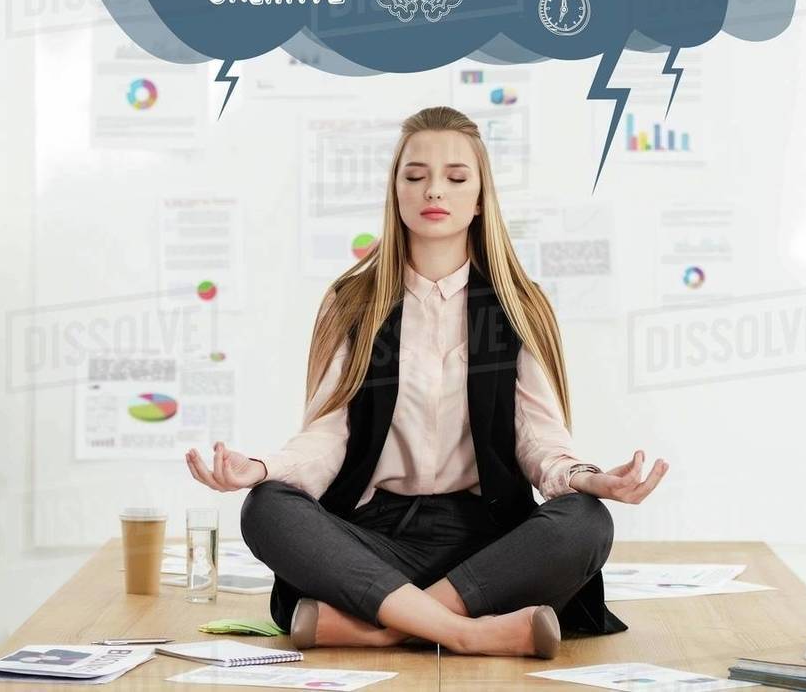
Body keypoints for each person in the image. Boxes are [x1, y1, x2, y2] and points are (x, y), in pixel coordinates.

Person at [186, 106, 668, 659]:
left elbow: (539, 440)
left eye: (456, 177)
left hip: (486, 550)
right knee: (266, 507)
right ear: (396, 192)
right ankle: (468, 632)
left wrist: (589, 479)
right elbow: (327, 436)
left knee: (585, 520)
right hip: (376, 543)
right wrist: (261, 468)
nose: (434, 189)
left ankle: (384, 627)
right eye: (415, 176)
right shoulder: (353, 303)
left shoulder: (518, 305)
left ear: (481, 198)